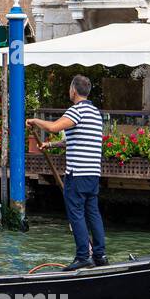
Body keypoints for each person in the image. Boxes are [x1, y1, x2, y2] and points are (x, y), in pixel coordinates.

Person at [27, 74, 107, 271]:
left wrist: (35, 120)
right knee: (93, 213)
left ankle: (82, 256)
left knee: (76, 214)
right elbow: (74, 138)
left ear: (73, 90)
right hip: (92, 172)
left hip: (77, 173)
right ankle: (100, 255)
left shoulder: (76, 111)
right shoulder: (95, 112)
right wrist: (51, 144)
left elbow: (54, 127)